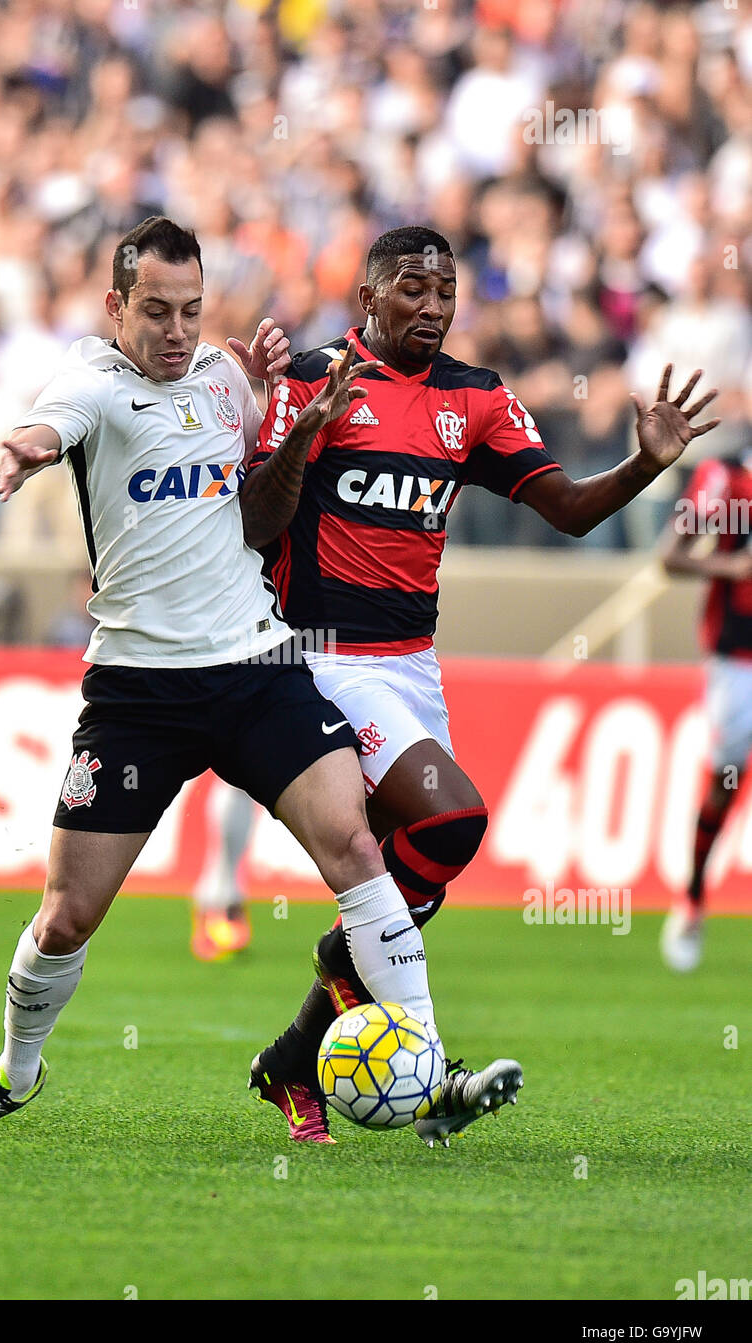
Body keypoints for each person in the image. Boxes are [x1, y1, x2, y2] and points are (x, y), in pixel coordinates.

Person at [0, 217, 484, 1141]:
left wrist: (290, 425)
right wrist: (13, 456)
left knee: (357, 849)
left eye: (191, 311)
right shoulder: (91, 384)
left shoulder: (224, 377)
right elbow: (37, 433)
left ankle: (424, 1053)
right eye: (155, 312)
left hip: (257, 665)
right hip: (141, 691)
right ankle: (12, 1074)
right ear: (115, 307)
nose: (177, 332)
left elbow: (260, 519)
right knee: (66, 917)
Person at [240, 225, 719, 1145]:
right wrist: (303, 430)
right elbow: (258, 525)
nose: (433, 306)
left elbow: (570, 510)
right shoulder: (312, 377)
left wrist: (647, 464)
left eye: (446, 290)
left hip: (412, 668)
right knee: (451, 821)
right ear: (368, 296)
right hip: (320, 657)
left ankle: (300, 1059)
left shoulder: (477, 398)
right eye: (412, 288)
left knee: (404, 882)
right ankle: (406, 1047)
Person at [658, 448, 752, 971]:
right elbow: (671, 555)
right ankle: (693, 897)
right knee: (725, 782)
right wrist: (731, 565)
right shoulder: (730, 475)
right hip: (739, 659)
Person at [189, 782, 256, 962]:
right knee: (223, 864)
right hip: (233, 800)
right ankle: (209, 932)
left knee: (229, 864)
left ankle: (221, 928)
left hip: (242, 800)